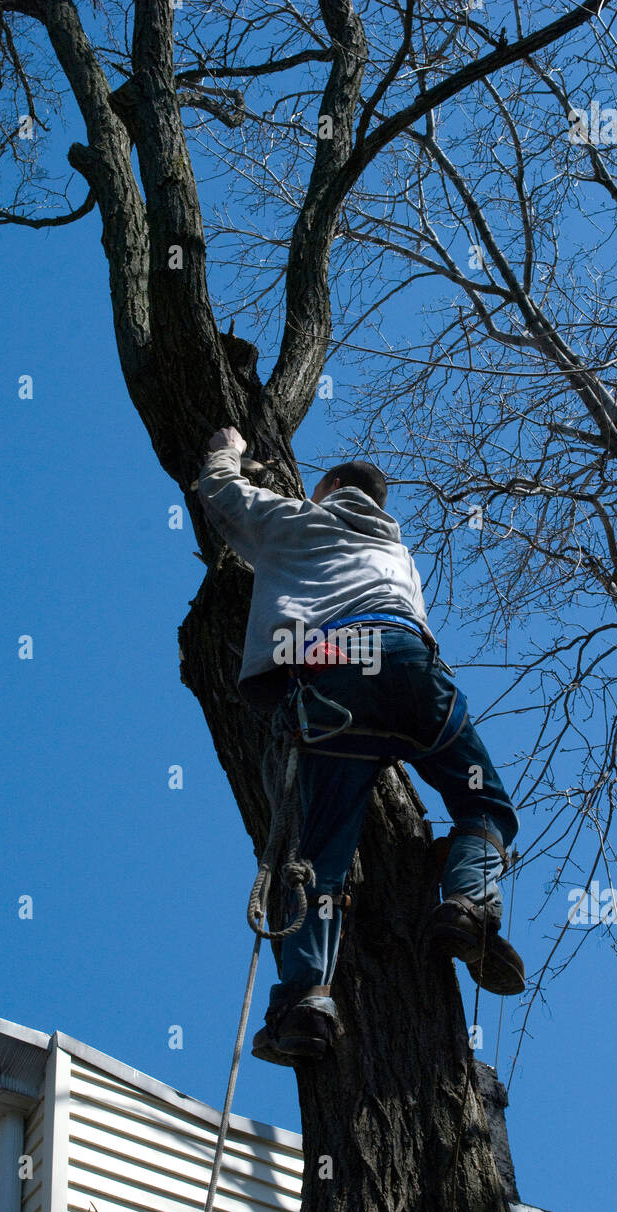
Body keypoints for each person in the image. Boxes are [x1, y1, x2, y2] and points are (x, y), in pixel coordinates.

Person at [197, 426, 524, 1066]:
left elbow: (220, 493)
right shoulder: (400, 556)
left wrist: (228, 448)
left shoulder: (297, 521)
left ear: (335, 489)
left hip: (333, 677)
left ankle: (306, 1004)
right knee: (485, 806)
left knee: (318, 861)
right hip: (410, 668)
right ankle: (465, 903)